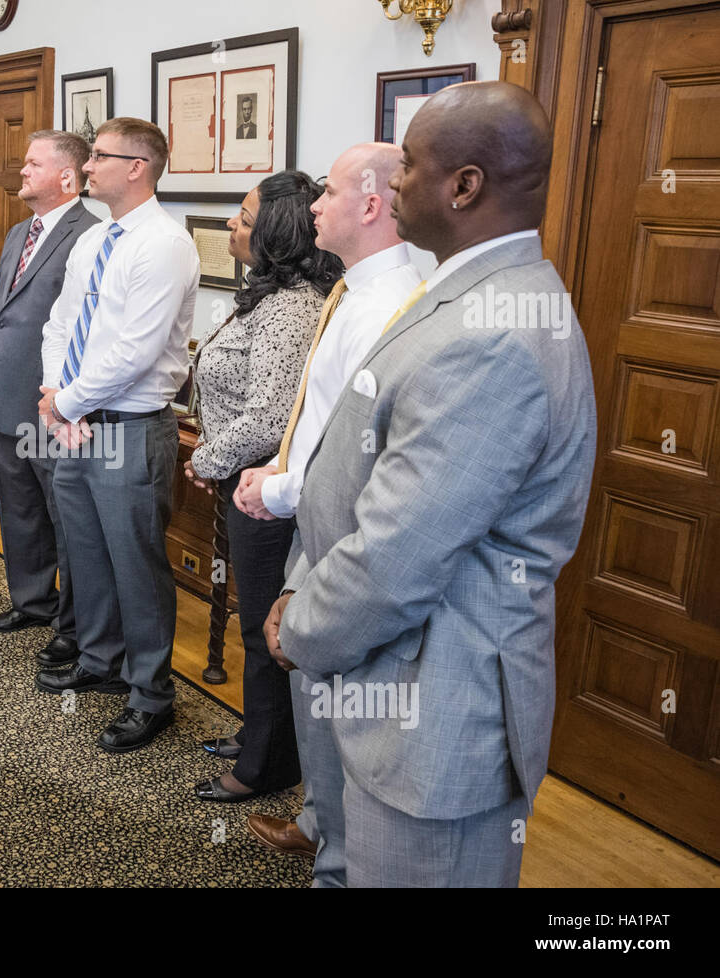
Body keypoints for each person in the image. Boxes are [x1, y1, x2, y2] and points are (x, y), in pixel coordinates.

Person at [262, 81, 596, 887]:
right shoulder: (467, 290)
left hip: (438, 714)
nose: (395, 182)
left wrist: (302, 626)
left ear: (465, 185)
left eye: (408, 165)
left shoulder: (495, 335)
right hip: (404, 681)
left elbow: (397, 553)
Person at [230, 143, 420, 881]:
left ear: (370, 206)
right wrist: (281, 472)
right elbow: (319, 418)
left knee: (335, 699)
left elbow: (360, 450)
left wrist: (278, 489)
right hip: (310, 511)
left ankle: (339, 860)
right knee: (312, 693)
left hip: (341, 530)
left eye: (329, 192)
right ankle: (321, 824)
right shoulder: (350, 290)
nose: (313, 205)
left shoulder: (386, 307)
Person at [34, 117, 200, 753]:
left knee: (136, 563)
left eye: (100, 155)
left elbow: (136, 350)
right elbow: (60, 323)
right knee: (86, 551)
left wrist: (67, 403)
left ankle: (151, 694)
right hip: (76, 422)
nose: (89, 164)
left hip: (130, 427)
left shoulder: (163, 243)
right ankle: (100, 661)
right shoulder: (93, 239)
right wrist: (57, 399)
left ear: (138, 167)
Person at [182, 170, 341, 804]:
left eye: (244, 219)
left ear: (274, 236)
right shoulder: (272, 298)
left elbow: (271, 417)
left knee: (264, 631)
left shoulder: (294, 309)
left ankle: (268, 764)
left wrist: (208, 459)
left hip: (265, 494)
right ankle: (260, 736)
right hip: (242, 482)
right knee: (255, 622)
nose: (231, 226)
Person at [0, 130, 99, 666]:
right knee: (18, 507)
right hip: (4, 395)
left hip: (53, 404)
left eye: (32, 164)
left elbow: (87, 330)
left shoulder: (92, 234)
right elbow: (0, 314)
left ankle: (73, 624)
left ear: (67, 177)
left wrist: (64, 400)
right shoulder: (21, 230)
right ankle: (31, 600)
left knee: (65, 518)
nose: (20, 172)